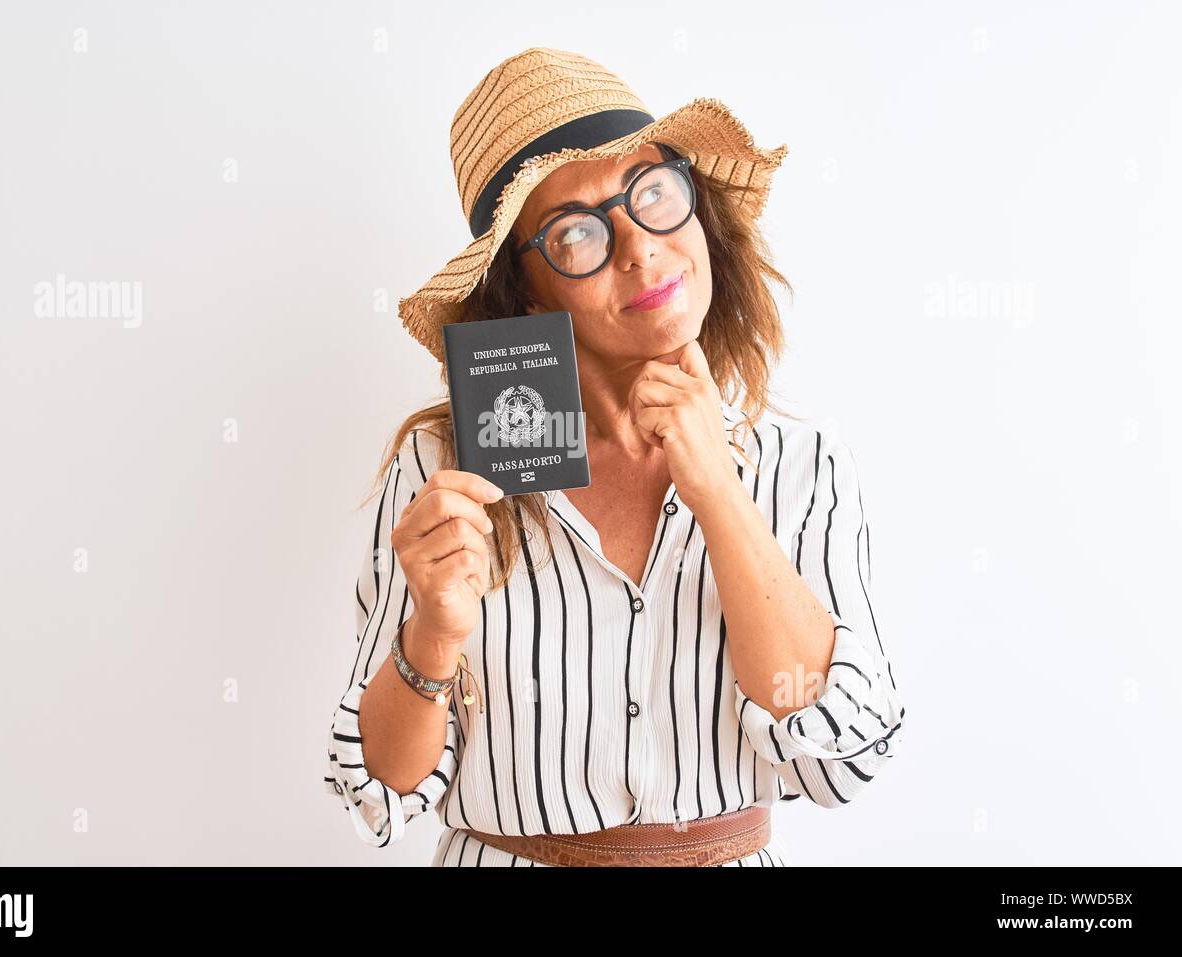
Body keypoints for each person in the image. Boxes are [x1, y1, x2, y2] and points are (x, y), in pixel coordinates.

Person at [324, 47, 905, 866]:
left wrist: (720, 497)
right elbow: (379, 794)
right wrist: (433, 633)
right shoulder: (444, 473)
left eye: (654, 194)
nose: (638, 248)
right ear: (528, 288)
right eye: (577, 233)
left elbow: (843, 758)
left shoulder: (798, 464)